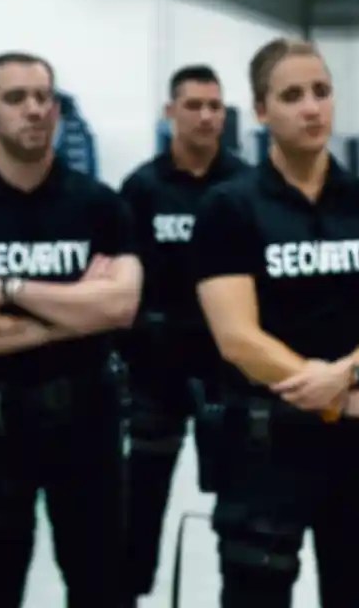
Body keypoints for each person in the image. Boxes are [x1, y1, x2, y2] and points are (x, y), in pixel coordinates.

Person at [190, 37, 359, 608]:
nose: (312, 108)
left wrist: (347, 374)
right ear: (261, 111)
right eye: (292, 96)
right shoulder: (229, 207)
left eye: (321, 91)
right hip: (266, 445)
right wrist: (340, 398)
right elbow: (237, 338)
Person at [0, 52, 142, 607]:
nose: (34, 110)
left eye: (44, 98)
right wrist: (70, 317)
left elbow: (120, 306)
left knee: (102, 582)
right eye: (15, 98)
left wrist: (9, 289)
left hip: (89, 421)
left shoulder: (100, 205)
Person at [117, 65, 250, 603]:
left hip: (229, 364)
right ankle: (130, 591)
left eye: (215, 106)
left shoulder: (244, 185)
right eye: (193, 105)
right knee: (140, 500)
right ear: (170, 112)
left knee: (240, 502)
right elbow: (121, 277)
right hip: (156, 367)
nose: (206, 116)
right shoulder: (141, 189)